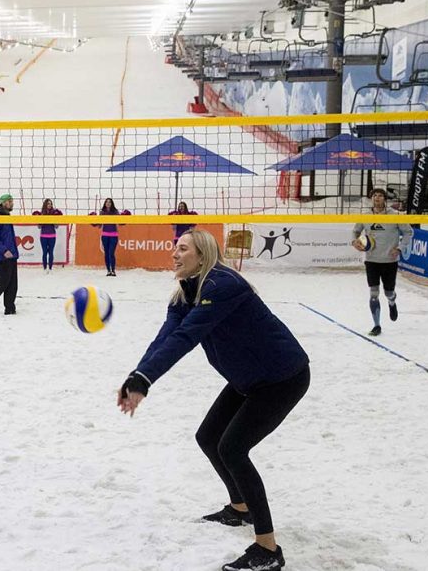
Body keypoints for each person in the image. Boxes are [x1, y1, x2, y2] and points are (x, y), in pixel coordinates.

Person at [119, 229, 310, 571]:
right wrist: (139, 377)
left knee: (233, 448)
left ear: (203, 256)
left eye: (182, 249)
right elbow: (167, 337)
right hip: (248, 377)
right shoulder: (184, 293)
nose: (174, 254)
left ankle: (268, 550)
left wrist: (145, 380)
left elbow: (187, 337)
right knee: (208, 438)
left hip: (283, 377)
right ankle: (240, 508)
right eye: (174, 248)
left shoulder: (223, 285)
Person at [351, 188, 413, 337]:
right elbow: (355, 231)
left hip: (390, 260)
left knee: (389, 292)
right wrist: (355, 242)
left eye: (380, 196)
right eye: (374, 196)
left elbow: (409, 232)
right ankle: (376, 325)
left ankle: (392, 303)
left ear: (385, 199)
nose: (377, 198)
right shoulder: (365, 216)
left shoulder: (396, 215)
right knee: (374, 294)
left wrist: (399, 248)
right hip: (371, 260)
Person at [91, 197, 130, 276]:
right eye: (107, 202)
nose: (108, 203)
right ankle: (108, 271)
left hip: (113, 235)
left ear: (112, 203)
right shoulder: (102, 212)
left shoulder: (115, 212)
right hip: (104, 235)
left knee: (111, 253)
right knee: (106, 253)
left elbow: (120, 222)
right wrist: (93, 221)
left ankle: (113, 270)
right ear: (105, 203)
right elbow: (99, 225)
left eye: (109, 202)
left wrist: (126, 219)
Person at [32, 198, 63, 273]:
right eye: (48, 203)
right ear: (45, 204)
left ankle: (50, 268)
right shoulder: (41, 214)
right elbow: (39, 227)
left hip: (52, 236)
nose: (50, 205)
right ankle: (45, 268)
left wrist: (55, 221)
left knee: (51, 252)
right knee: (45, 252)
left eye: (51, 204)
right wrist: (40, 222)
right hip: (43, 236)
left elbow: (56, 227)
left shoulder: (54, 213)